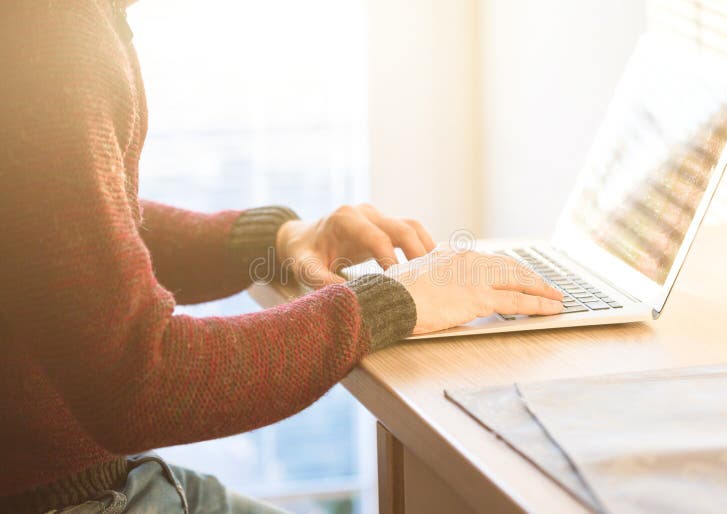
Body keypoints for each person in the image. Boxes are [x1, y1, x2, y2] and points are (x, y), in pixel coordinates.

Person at [0, 1, 563, 513]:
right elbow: (138, 382)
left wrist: (271, 240)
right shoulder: (53, 35)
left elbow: (65, 232)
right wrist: (393, 302)